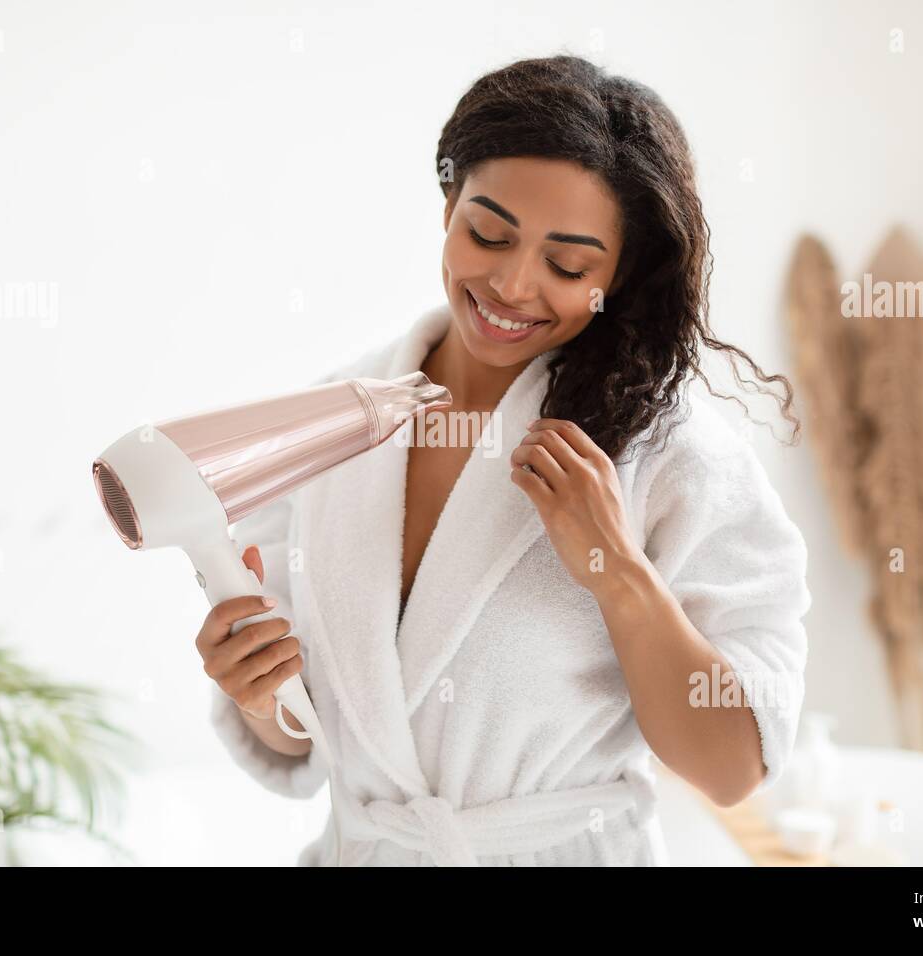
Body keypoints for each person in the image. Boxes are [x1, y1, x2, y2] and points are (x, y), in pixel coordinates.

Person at [194, 54, 810, 866]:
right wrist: (254, 688)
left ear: (619, 274)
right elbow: (306, 744)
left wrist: (616, 571)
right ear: (449, 203)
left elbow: (732, 766)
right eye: (488, 233)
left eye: (568, 265)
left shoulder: (669, 453)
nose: (513, 285)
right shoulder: (330, 423)